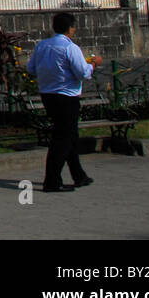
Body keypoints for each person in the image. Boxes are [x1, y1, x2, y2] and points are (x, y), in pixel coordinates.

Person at [24, 12, 101, 192]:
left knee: (70, 135)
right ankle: (52, 180)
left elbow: (31, 68)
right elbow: (82, 73)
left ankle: (78, 175)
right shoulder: (70, 48)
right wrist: (94, 64)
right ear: (70, 28)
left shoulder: (42, 46)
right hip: (67, 96)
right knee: (63, 139)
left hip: (48, 94)